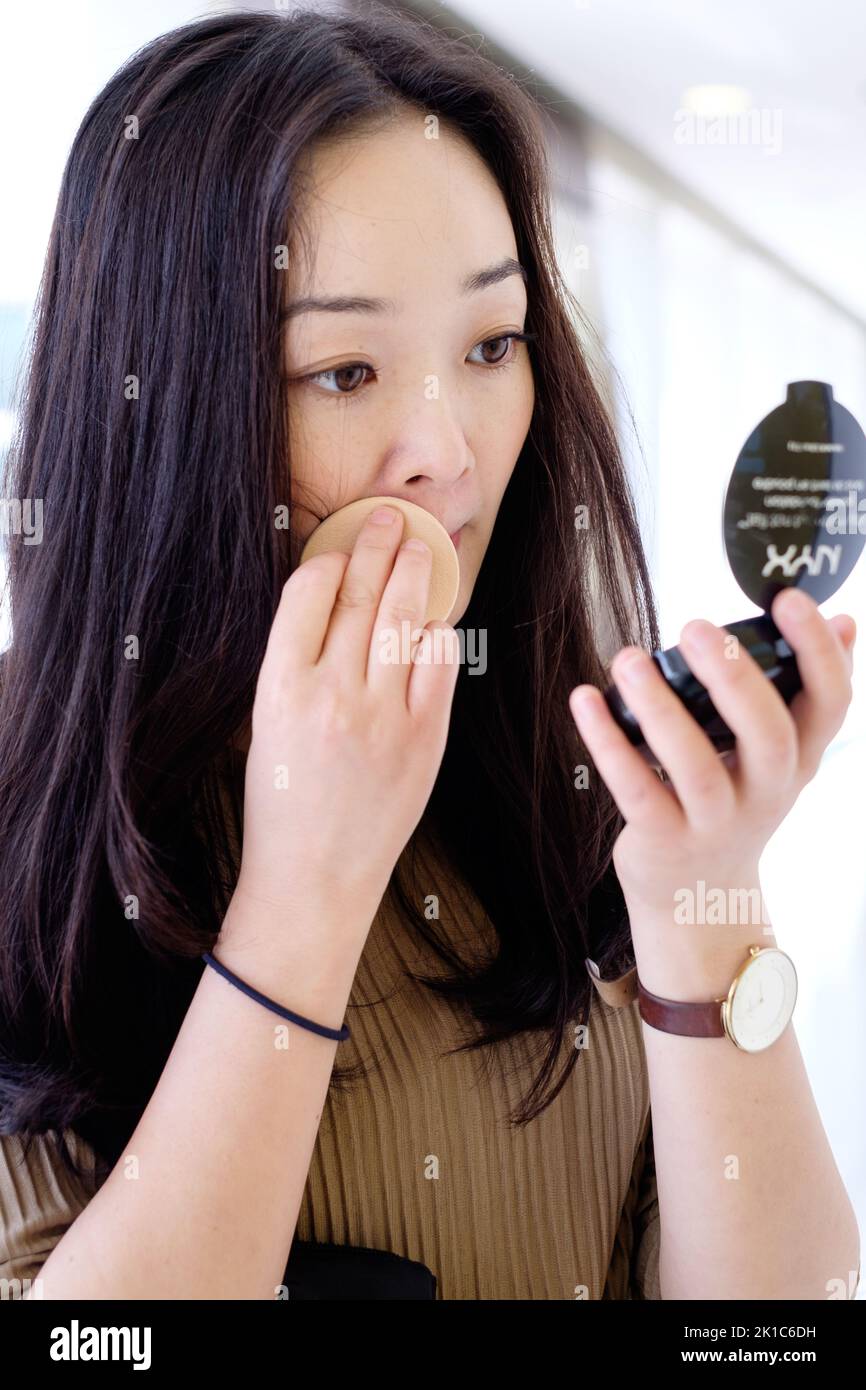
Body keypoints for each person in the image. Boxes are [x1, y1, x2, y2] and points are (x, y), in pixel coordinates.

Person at [0, 6, 858, 1302]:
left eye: (490, 344)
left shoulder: (553, 764)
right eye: (344, 371)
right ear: (159, 407)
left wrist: (701, 896)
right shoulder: (36, 842)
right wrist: (305, 889)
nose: (448, 451)